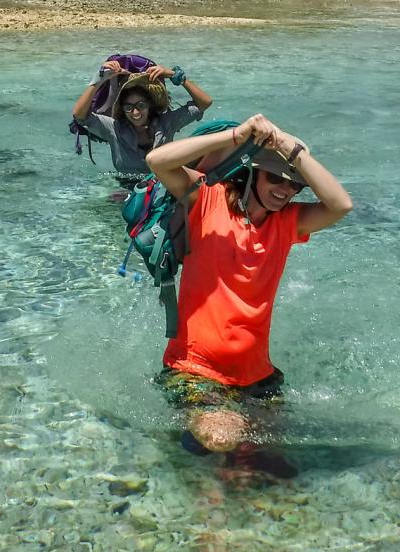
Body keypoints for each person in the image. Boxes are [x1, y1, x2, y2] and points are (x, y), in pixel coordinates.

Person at [144, 113, 353, 462]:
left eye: (294, 186)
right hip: (195, 370)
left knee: (270, 455)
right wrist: (236, 136)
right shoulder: (206, 200)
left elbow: (341, 205)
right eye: (276, 178)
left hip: (258, 376)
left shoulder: (288, 223)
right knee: (224, 437)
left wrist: (294, 150)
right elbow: (157, 161)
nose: (284, 191)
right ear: (254, 171)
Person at [71, 60, 212, 179]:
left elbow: (204, 103)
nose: (135, 112)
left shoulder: (167, 122)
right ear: (122, 108)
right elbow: (80, 115)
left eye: (141, 105)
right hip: (126, 190)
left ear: (150, 105)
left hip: (165, 187)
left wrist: (176, 76)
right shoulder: (114, 128)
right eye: (129, 107)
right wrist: (99, 78)